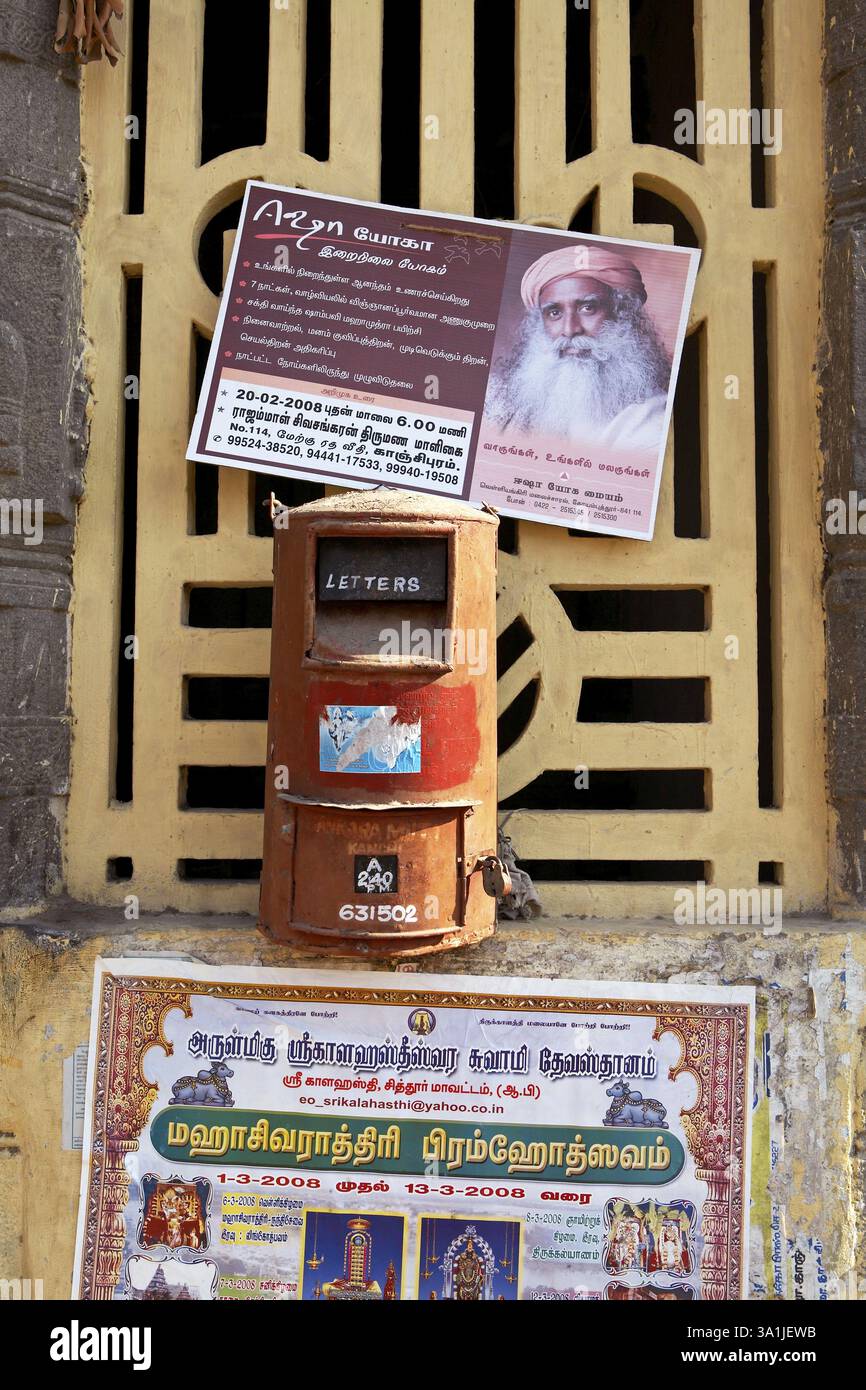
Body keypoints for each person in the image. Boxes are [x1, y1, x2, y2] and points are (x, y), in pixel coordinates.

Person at [485, 243, 672, 452]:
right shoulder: (513, 402)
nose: (570, 329)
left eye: (588, 308)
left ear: (623, 315)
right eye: (554, 312)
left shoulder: (650, 425)